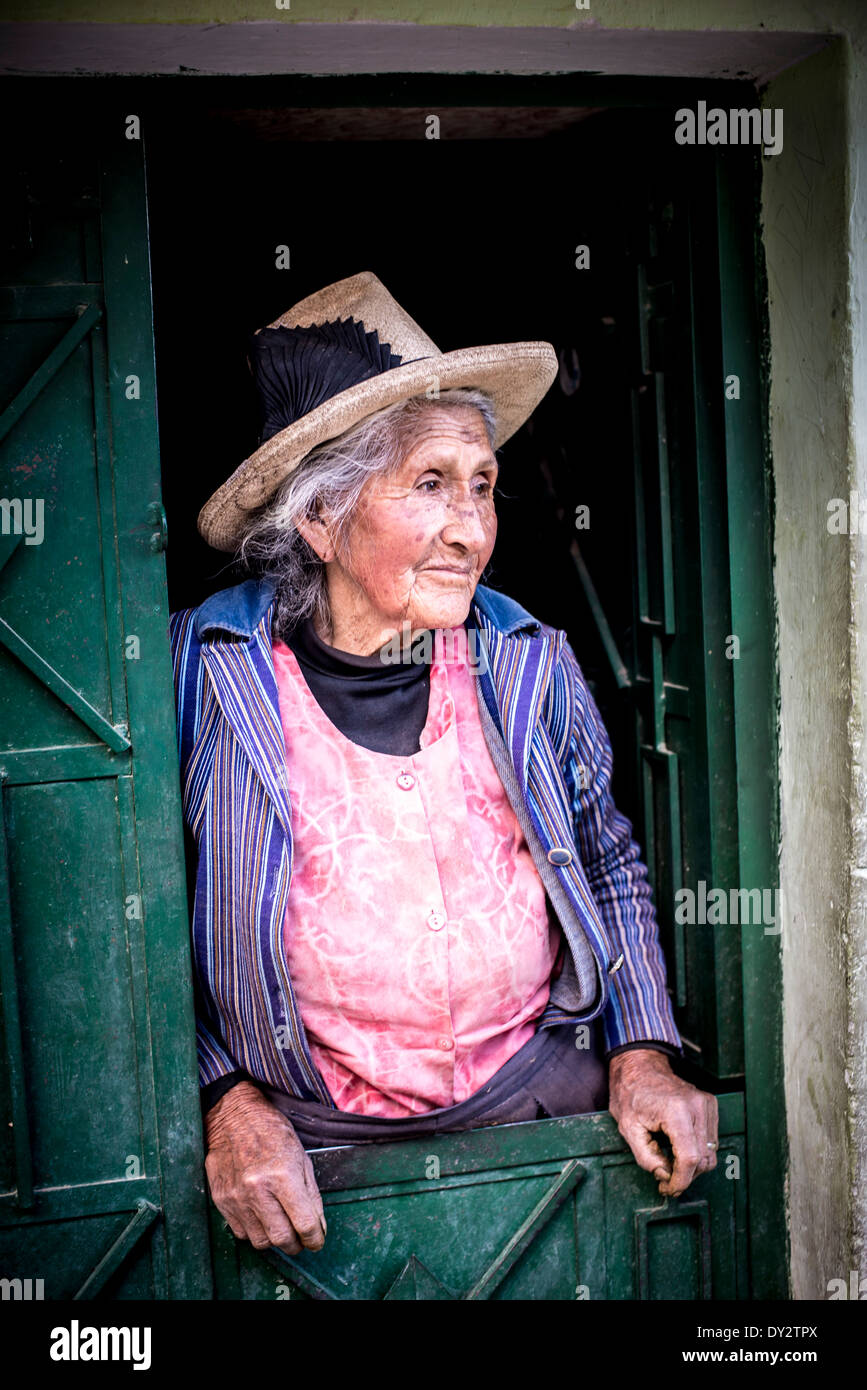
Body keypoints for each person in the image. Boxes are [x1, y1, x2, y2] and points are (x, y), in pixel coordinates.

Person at [169, 271, 718, 1260]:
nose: (473, 528)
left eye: (481, 485)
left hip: (536, 1095)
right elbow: (139, 912)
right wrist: (224, 1097)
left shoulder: (525, 656)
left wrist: (642, 1047)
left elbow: (604, 856)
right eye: (430, 483)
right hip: (315, 1134)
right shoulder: (206, 672)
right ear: (321, 518)